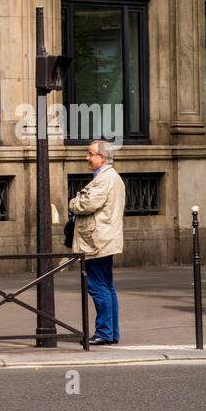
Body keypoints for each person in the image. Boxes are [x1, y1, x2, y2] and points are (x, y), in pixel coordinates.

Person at [70, 137, 125, 345]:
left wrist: (73, 202)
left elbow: (86, 204)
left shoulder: (105, 179)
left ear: (102, 157)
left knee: (98, 287)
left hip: (97, 241)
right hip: (103, 239)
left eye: (90, 154)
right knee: (106, 286)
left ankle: (104, 332)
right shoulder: (109, 177)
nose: (87, 158)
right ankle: (110, 332)